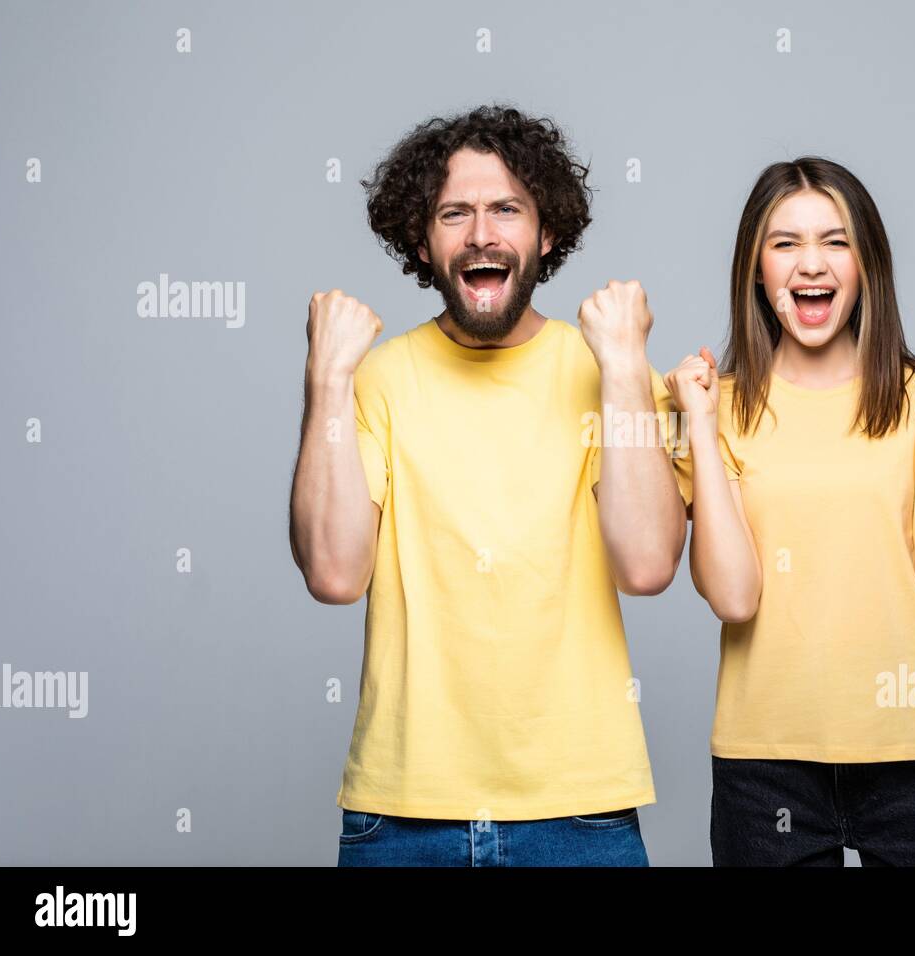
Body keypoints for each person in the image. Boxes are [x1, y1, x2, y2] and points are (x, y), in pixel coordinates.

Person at [288, 105, 690, 866]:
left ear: (546, 235)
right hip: (401, 817)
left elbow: (648, 566)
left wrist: (629, 370)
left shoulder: (611, 375)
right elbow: (335, 574)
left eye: (507, 208)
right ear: (422, 240)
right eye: (454, 213)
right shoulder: (372, 379)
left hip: (580, 812)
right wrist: (326, 378)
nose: (481, 234)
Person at [664, 156, 915, 866]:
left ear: (867, 265)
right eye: (785, 243)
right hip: (766, 766)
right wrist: (698, 426)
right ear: (756, 269)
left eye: (836, 240)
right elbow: (733, 596)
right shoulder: (711, 407)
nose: (810, 263)